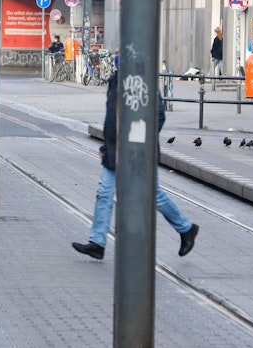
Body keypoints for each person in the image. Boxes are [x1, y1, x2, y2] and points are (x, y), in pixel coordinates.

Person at [72, 69, 199, 260]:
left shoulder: (143, 78)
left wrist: (139, 141)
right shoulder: (115, 79)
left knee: (150, 193)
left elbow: (158, 116)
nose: (116, 53)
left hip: (139, 151)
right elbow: (112, 119)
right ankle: (97, 242)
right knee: (104, 193)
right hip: (115, 151)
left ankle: (186, 228)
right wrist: (106, 146)